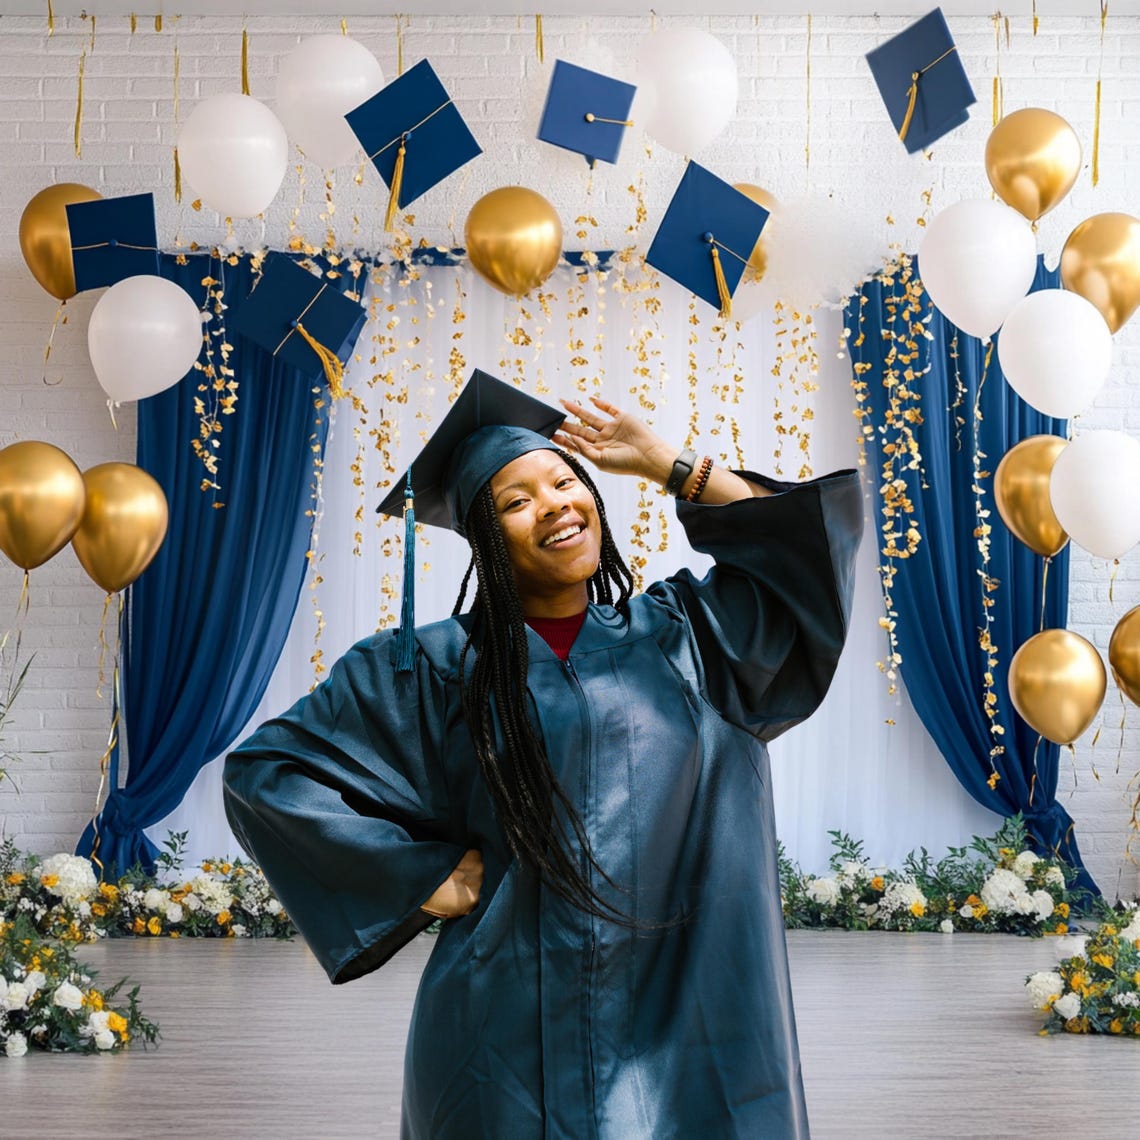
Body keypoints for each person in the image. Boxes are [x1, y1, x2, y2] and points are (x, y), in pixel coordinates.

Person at [223, 370, 862, 1140]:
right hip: (502, 1031)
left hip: (689, 1021)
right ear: (486, 541)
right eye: (517, 501)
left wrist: (668, 463)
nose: (555, 504)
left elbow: (804, 556)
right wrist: (419, 876)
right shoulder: (428, 666)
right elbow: (269, 775)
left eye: (564, 481)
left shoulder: (690, 638)